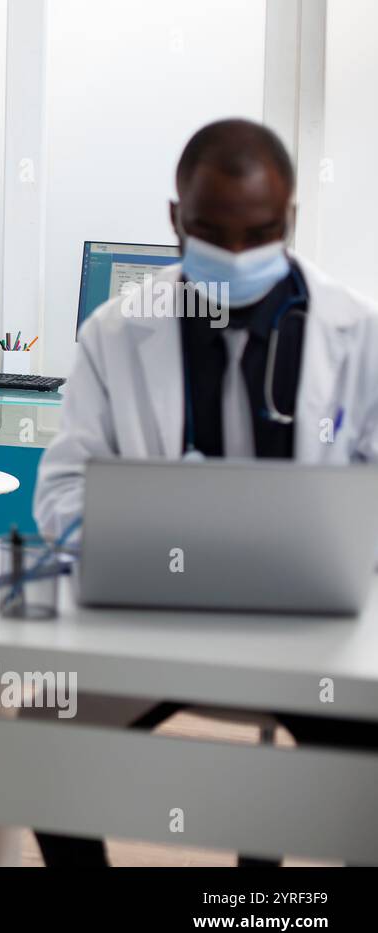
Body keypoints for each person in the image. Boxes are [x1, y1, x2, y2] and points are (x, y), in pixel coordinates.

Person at [32, 118, 378, 866]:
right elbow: (62, 487)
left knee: (364, 778)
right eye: (212, 231)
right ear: (175, 221)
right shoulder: (115, 332)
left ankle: (261, 906)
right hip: (156, 616)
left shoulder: (358, 333)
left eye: (259, 232)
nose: (238, 252)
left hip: (311, 627)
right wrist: (135, 544)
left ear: (289, 220)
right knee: (35, 740)